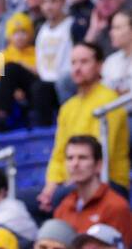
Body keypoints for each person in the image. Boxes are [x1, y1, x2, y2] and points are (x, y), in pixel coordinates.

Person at [38, 43, 131, 211]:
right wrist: (50, 186)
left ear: (100, 65)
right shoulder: (68, 107)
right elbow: (59, 153)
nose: (77, 68)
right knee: (25, 201)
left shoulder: (109, 102)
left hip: (107, 181)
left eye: (84, 62)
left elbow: (100, 154)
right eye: (73, 63)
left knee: (59, 198)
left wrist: (64, 187)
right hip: (72, 180)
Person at [52, 135, 132, 247]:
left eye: (82, 158)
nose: (75, 164)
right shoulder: (63, 207)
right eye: (70, 158)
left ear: (98, 165)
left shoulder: (116, 207)